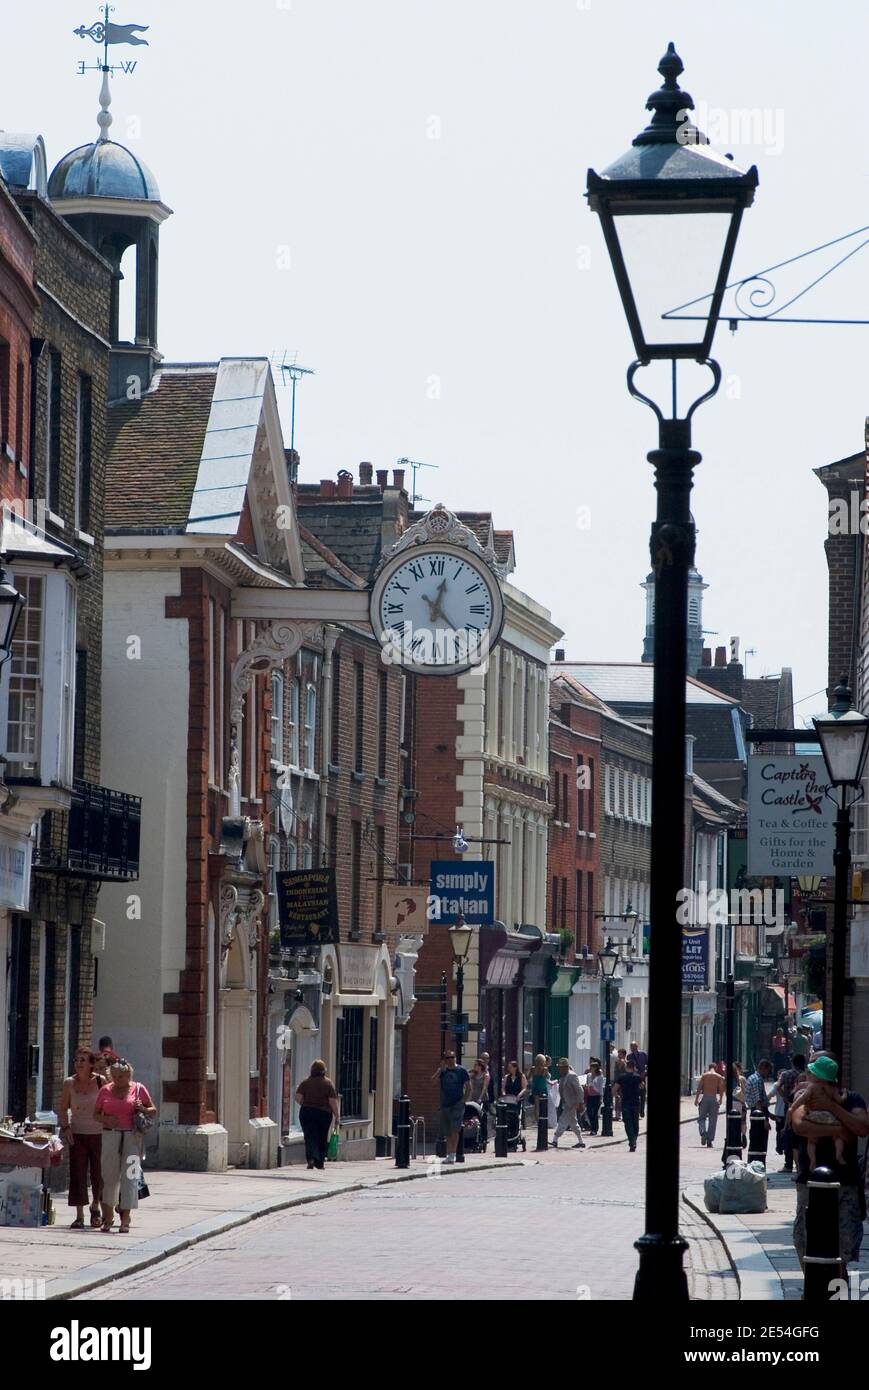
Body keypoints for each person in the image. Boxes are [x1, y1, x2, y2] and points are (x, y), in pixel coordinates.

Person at [790, 1054, 869, 1272]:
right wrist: (840, 1130)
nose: (807, 1074)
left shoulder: (852, 1099)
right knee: (806, 1243)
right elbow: (800, 1126)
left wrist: (832, 1108)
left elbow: (862, 1128)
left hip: (844, 1183)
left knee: (843, 1247)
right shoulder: (804, 1095)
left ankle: (839, 1290)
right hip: (810, 1183)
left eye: (812, 1070)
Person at [93, 1059, 155, 1234]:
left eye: (121, 1076)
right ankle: (108, 1216)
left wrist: (141, 1107)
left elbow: (153, 1110)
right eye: (114, 1076)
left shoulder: (138, 1089)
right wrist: (106, 1119)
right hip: (110, 1134)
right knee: (109, 1177)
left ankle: (125, 1219)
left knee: (130, 1177)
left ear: (129, 1075)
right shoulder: (105, 1090)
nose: (118, 1079)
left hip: (132, 1136)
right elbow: (96, 1114)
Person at [58, 1047, 105, 1229]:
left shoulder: (101, 1082)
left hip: (98, 1133)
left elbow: (108, 1105)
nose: (79, 1063)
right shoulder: (69, 1083)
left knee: (97, 1174)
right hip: (77, 1133)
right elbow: (63, 1108)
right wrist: (66, 1127)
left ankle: (96, 1206)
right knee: (77, 1173)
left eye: (83, 1060)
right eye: (77, 1060)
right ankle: (79, 1215)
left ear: (91, 1064)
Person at [295, 1060, 339, 1170]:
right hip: (323, 1113)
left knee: (309, 1136)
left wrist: (305, 1104)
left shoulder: (305, 1082)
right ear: (323, 1070)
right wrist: (337, 1116)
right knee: (322, 1136)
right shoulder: (328, 1083)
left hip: (307, 1112)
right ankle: (320, 1163)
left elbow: (298, 1098)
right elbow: (332, 1101)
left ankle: (310, 1159)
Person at [434, 1052, 471, 1163]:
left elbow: (468, 1087)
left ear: (455, 1058)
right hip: (445, 1104)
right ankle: (449, 1154)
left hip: (457, 1104)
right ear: (445, 1060)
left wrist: (463, 1101)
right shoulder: (443, 1071)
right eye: (448, 1058)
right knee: (447, 1131)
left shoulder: (461, 1071)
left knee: (455, 1129)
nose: (450, 1059)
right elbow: (433, 1082)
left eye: (452, 1057)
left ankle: (453, 1154)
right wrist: (439, 1070)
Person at [775, 1053, 806, 1173]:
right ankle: (801, 1164)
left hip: (789, 1105)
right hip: (803, 1107)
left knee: (788, 1133)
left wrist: (785, 1098)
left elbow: (777, 1087)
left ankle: (788, 1164)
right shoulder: (805, 1075)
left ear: (793, 1063)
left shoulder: (786, 1074)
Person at [551, 1059, 586, 1149]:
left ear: (565, 1067)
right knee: (573, 1123)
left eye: (560, 1067)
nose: (559, 1069)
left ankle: (555, 1140)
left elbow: (580, 1090)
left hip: (572, 1103)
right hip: (566, 1103)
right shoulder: (563, 1076)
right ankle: (581, 1141)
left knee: (562, 1121)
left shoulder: (572, 1076)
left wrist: (580, 1102)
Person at [613, 1056, 643, 1151]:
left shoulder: (621, 1077)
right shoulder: (637, 1077)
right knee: (635, 1124)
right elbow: (642, 1087)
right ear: (634, 1067)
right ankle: (633, 1140)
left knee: (628, 1123)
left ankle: (632, 1141)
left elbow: (614, 1089)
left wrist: (617, 1096)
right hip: (635, 1102)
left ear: (626, 1066)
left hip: (625, 1102)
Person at [694, 1062, 725, 1147]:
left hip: (705, 1097)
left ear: (709, 1067)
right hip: (713, 1098)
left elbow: (699, 1088)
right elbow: (721, 1089)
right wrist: (721, 1099)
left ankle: (703, 1131)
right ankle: (709, 1140)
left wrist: (696, 1099)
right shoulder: (719, 1077)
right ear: (716, 1068)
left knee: (701, 1118)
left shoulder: (704, 1075)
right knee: (713, 1120)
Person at [743, 1059, 773, 1136]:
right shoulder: (757, 1080)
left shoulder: (752, 1077)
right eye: (768, 1071)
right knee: (759, 1139)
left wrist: (769, 1114)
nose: (768, 1074)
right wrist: (764, 1120)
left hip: (757, 1112)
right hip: (758, 1113)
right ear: (763, 1068)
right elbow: (757, 1101)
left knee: (756, 1137)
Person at [584, 1060, 605, 1135]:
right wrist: (586, 1086)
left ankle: (594, 1129)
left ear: (596, 1068)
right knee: (589, 1112)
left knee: (595, 1113)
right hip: (590, 1096)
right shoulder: (589, 1075)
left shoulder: (600, 1076)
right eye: (591, 1067)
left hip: (596, 1096)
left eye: (592, 1067)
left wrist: (601, 1097)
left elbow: (600, 1087)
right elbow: (587, 1084)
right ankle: (592, 1126)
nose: (591, 1068)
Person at [629, 1041, 648, 1116]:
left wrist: (645, 1072)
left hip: (642, 1078)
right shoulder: (629, 1056)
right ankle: (636, 1109)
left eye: (634, 1047)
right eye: (631, 1047)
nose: (632, 1048)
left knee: (642, 1094)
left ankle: (642, 1111)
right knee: (635, 1094)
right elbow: (629, 1067)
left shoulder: (643, 1054)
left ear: (637, 1047)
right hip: (634, 1078)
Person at [612, 1049, 627, 1122]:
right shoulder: (616, 1063)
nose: (618, 1055)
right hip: (617, 1083)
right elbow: (615, 1073)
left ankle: (623, 1115)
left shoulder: (627, 1063)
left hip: (624, 1084)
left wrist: (624, 1064)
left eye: (620, 1054)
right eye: (618, 1054)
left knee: (623, 1099)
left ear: (624, 1055)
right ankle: (617, 1115)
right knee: (617, 1099)